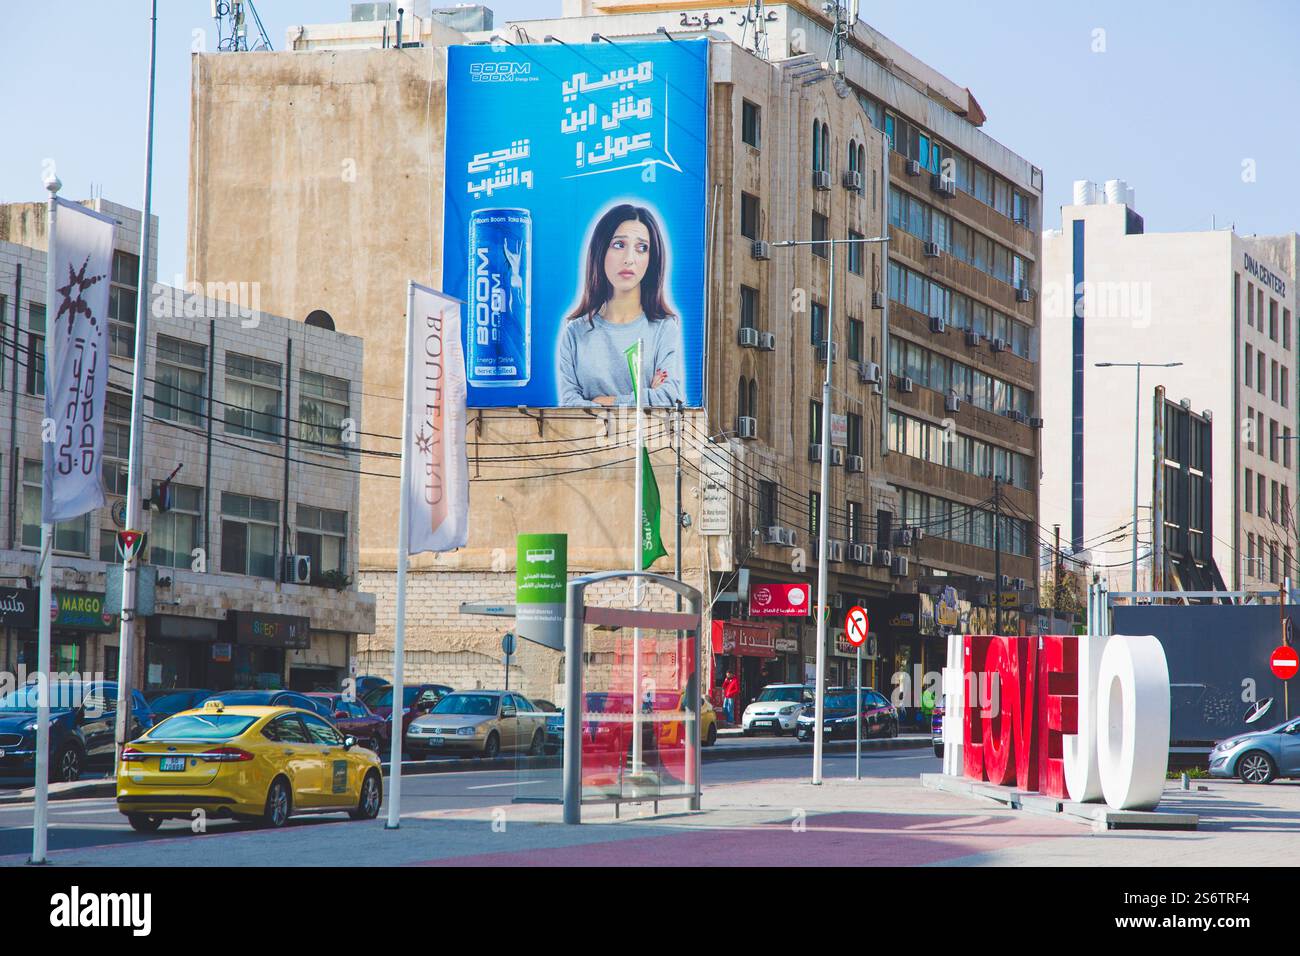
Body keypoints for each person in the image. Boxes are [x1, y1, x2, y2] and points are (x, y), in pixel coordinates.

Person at [557, 203, 684, 407]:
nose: (629, 259)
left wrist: (606, 401)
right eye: (619, 245)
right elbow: (570, 405)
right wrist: (644, 396)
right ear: (601, 249)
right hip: (586, 438)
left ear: (652, 258)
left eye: (642, 248)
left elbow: (668, 397)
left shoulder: (664, 328)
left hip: (646, 439)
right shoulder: (575, 333)